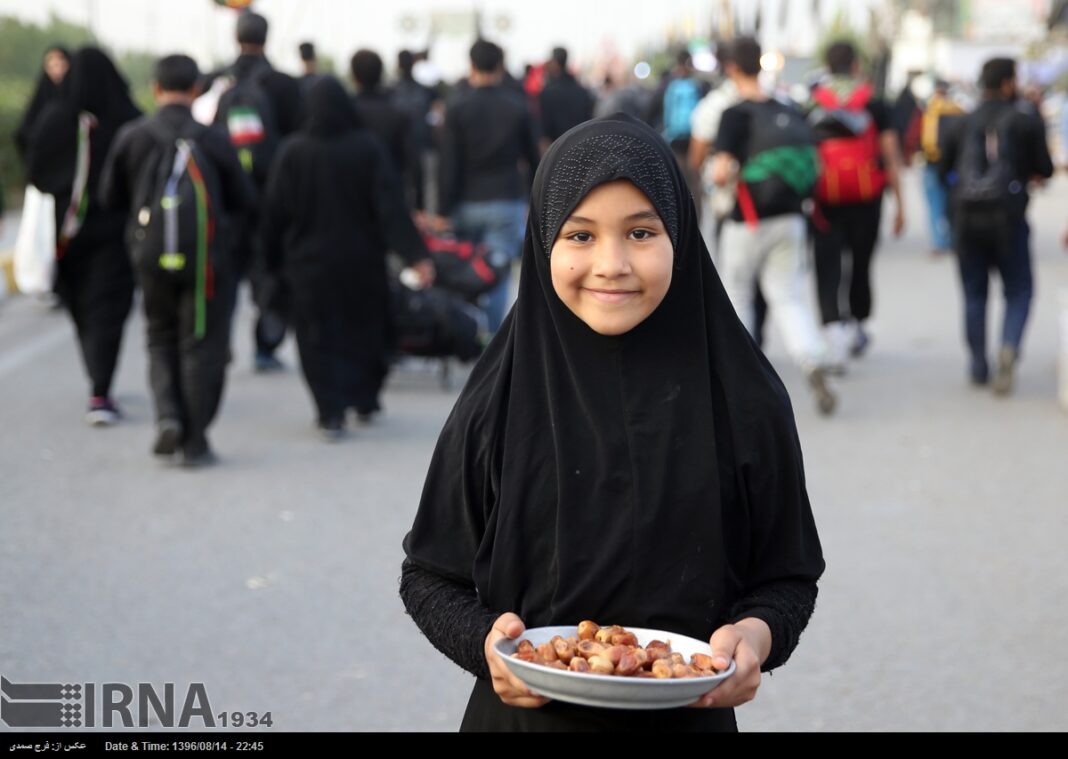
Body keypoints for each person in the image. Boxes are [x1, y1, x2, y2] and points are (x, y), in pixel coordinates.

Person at [400, 113, 825, 731]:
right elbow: (430, 576)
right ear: (544, 241)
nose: (612, 263)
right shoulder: (499, 400)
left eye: (641, 232)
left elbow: (787, 579)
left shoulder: (745, 401)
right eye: (579, 236)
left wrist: (755, 639)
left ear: (680, 233)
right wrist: (487, 645)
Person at [99, 54, 256, 465]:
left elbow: (108, 198)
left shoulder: (132, 136)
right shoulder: (214, 138)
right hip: (205, 261)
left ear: (155, 88)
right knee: (201, 342)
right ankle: (195, 439)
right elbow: (244, 199)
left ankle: (168, 415)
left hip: (150, 258)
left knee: (159, 337)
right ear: (195, 90)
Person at [261, 78, 435, 437]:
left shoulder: (293, 151)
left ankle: (330, 409)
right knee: (366, 330)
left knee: (315, 336)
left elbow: (274, 214)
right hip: (361, 261)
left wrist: (268, 262)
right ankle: (364, 397)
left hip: (308, 265)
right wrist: (415, 255)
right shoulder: (367, 148)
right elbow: (391, 208)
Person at [711, 37, 835, 415]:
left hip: (746, 221)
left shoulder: (735, 114)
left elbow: (719, 172)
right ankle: (811, 358)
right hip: (792, 218)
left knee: (738, 295)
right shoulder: (789, 108)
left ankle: (739, 381)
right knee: (788, 296)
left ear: (732, 68)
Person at [25, 47, 141, 425]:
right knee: (108, 309)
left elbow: (36, 172)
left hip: (68, 234)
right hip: (117, 235)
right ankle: (101, 387)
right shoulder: (129, 120)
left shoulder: (55, 119)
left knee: (83, 310)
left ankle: (97, 378)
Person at [939, 57, 1053, 394]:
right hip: (1009, 217)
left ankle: (978, 364)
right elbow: (1044, 168)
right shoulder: (1024, 119)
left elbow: (942, 169)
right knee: (1018, 289)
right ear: (1007, 83)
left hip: (966, 217)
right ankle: (1008, 346)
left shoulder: (961, 121)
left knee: (974, 293)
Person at [214, 10, 302, 373]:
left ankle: (219, 343)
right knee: (269, 266)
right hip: (271, 193)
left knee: (227, 269)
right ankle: (266, 344)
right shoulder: (283, 84)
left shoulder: (219, 81)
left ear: (236, 37)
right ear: (268, 38)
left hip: (228, 195)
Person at [808, 40, 905, 367]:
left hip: (825, 198)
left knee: (826, 263)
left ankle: (832, 330)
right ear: (855, 65)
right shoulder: (874, 103)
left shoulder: (812, 102)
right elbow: (890, 154)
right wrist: (901, 204)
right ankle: (857, 325)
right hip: (868, 197)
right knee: (860, 263)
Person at [435, 39, 540, 334]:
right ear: (500, 66)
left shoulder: (456, 107)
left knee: (464, 273)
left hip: (465, 202)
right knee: (497, 275)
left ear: (471, 65)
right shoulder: (517, 106)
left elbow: (449, 163)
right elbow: (534, 159)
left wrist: (443, 208)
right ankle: (492, 343)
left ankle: (465, 331)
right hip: (506, 199)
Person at [350, 49, 415, 200]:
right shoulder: (397, 112)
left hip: (354, 196)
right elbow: (411, 161)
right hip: (391, 193)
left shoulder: (346, 112)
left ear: (354, 76)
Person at [919, 79, 963, 255]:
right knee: (953, 204)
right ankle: (955, 240)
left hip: (932, 163)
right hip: (954, 165)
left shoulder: (928, 110)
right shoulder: (957, 110)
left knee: (934, 205)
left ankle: (939, 242)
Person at [15, 46, 70, 164]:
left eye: (61, 60)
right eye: (51, 61)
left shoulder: (77, 98)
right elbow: (23, 133)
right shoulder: (40, 99)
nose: (56, 65)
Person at [537, 46, 594, 151]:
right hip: (581, 148)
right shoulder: (582, 91)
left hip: (557, 150)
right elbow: (589, 121)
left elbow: (545, 129)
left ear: (555, 63)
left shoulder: (548, 92)